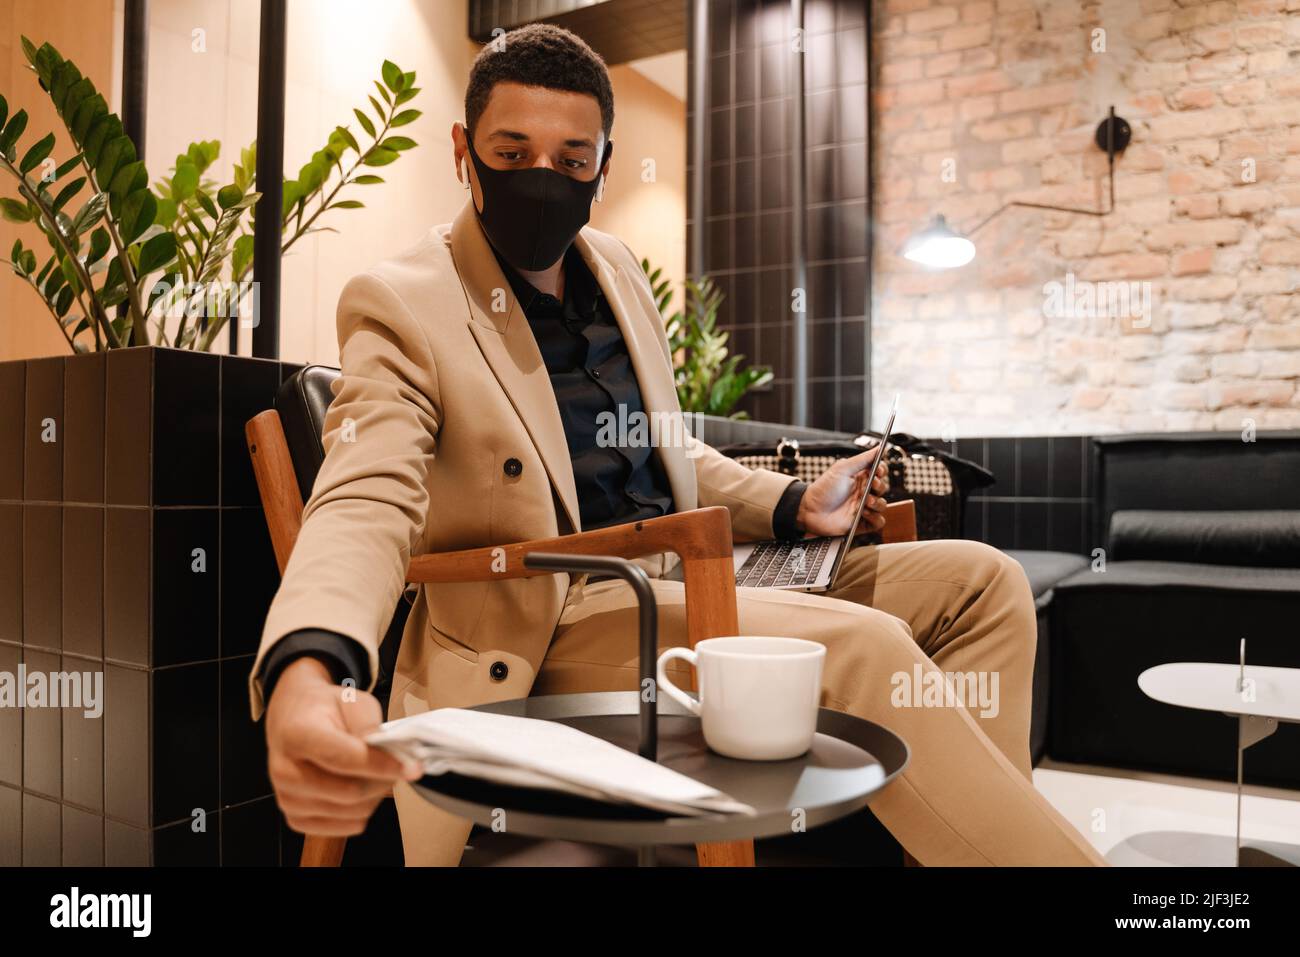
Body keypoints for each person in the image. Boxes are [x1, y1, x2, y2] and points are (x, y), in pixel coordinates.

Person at [249, 23, 1104, 867]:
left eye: (572, 160)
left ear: (603, 165)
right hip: (552, 619)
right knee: (864, 650)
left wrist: (791, 502)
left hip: (687, 580)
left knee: (986, 583)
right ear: (463, 151)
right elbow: (366, 493)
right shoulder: (405, 301)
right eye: (512, 155)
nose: (543, 179)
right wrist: (308, 662)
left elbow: (667, 447)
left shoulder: (617, 270)